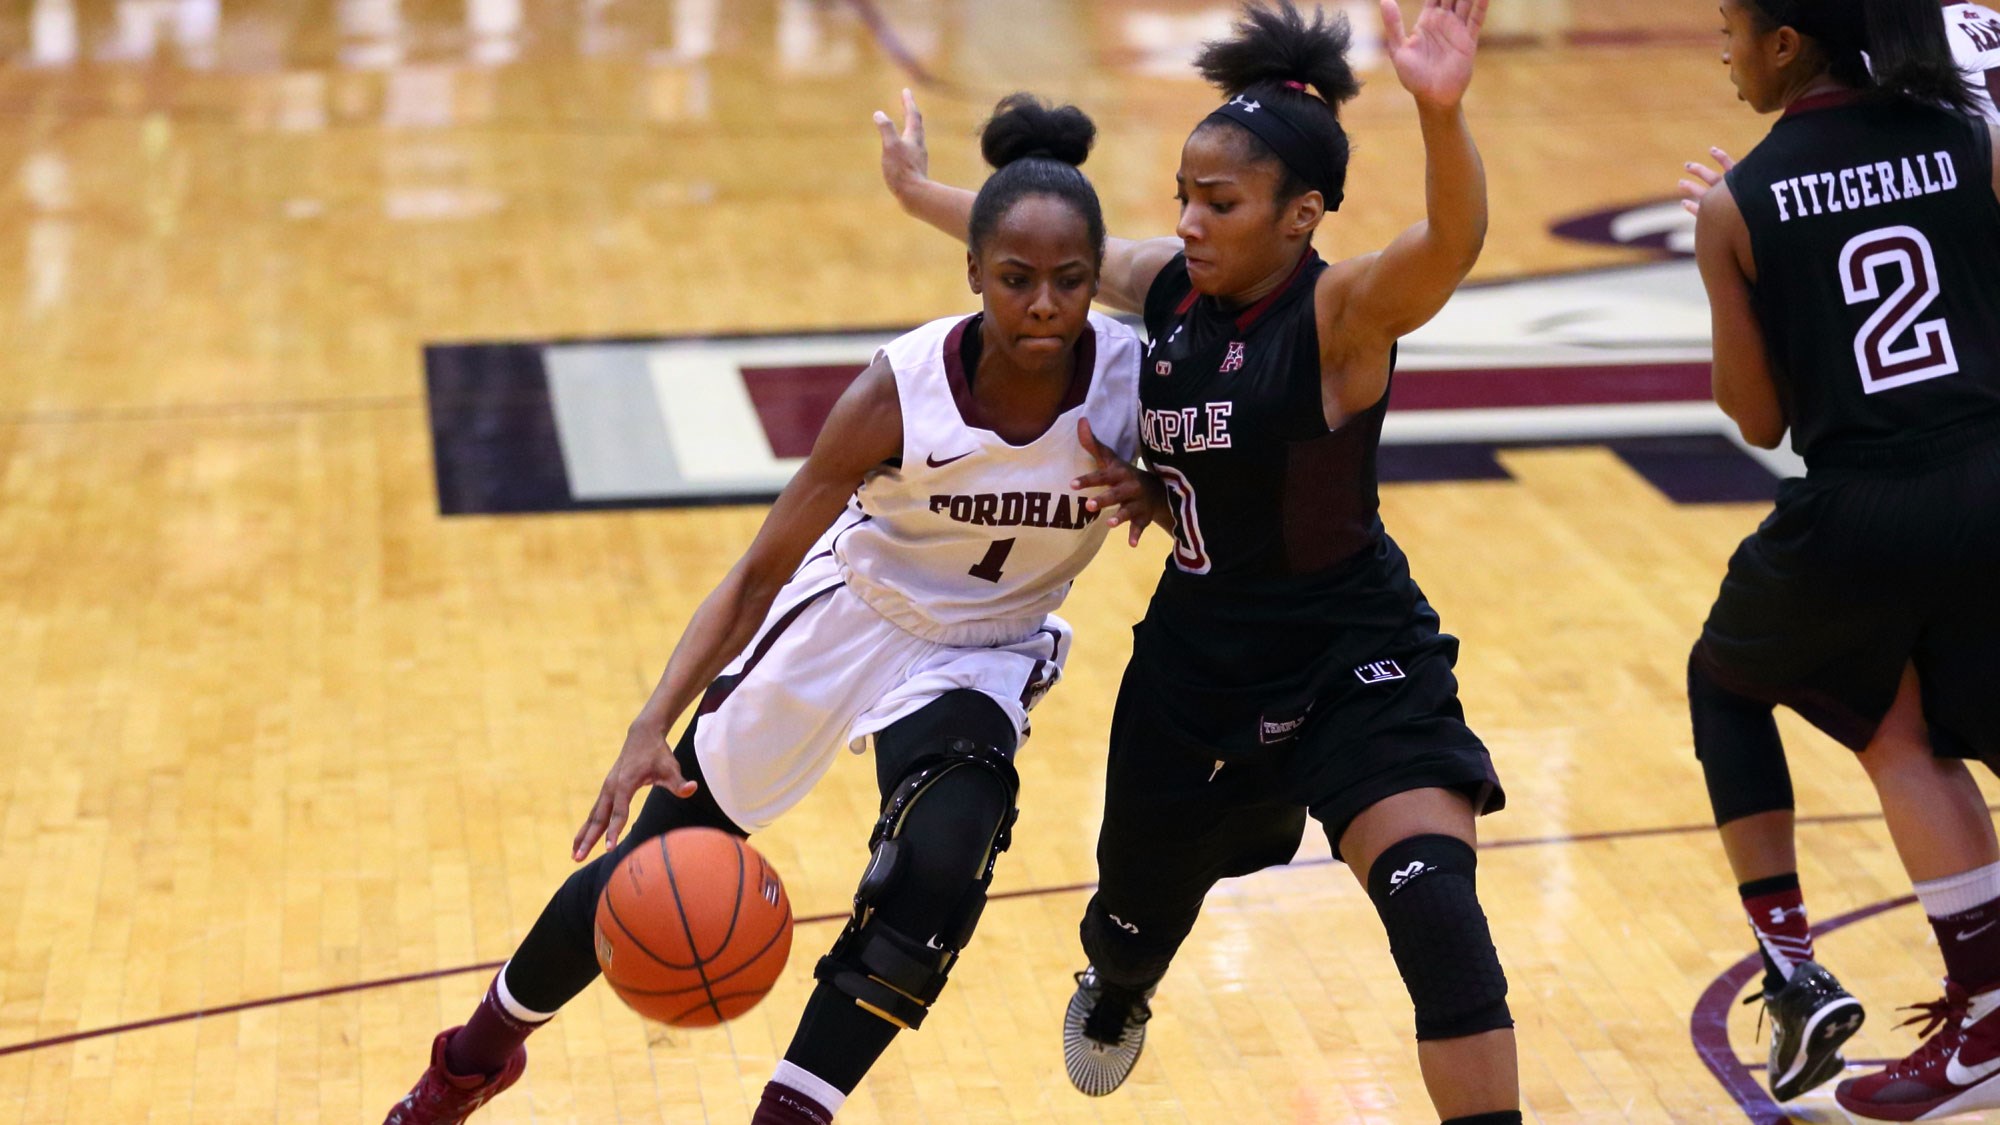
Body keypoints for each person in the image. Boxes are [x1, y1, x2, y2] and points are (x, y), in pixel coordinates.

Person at [382, 95, 1165, 1125]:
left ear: (1096, 279)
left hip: (984, 652)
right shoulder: (899, 392)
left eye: (1070, 281)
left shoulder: (1134, 383)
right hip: (855, 614)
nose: (1045, 306)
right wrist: (649, 722)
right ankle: (471, 1062)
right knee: (653, 868)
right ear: (973, 273)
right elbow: (757, 574)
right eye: (1016, 280)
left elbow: (1228, 499)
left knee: (941, 868)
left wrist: (1155, 492)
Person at [878, 3, 1520, 1120]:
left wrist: (1439, 111)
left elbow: (1448, 245)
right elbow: (1054, 257)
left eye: (1217, 204)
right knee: (1130, 923)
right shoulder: (1173, 290)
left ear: (1300, 215)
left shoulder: (1341, 315)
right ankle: (1127, 975)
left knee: (1438, 915)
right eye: (1182, 196)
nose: (1186, 223)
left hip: (1351, 658)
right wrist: (920, 195)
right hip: (1197, 670)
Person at [1675, 0, 2000, 1114]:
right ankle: (1986, 1012)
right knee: (1909, 724)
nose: (1720, 50)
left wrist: (1737, 263)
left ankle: (1793, 968)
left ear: (1784, 43)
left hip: (1866, 509)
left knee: (1727, 682)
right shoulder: (1968, 136)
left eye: (1729, 27)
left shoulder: (1740, 202)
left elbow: (1756, 416)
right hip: (1991, 471)